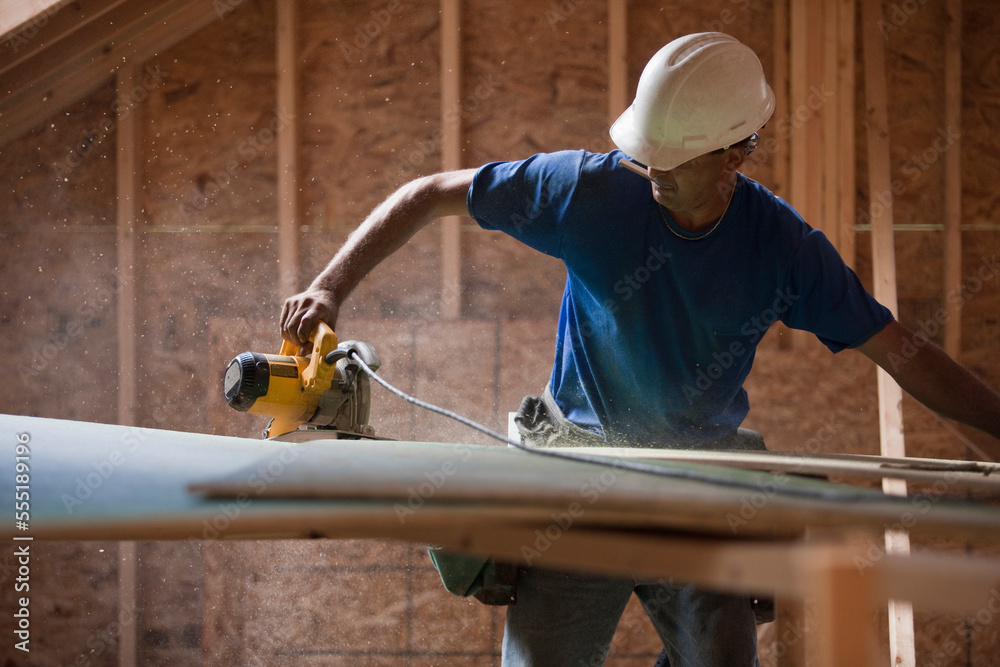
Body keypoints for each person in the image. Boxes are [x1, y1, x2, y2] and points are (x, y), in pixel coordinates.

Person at [281, 32, 1000, 667]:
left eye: (674, 159)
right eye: (645, 152)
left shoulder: (783, 248)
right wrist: (328, 287)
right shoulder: (588, 191)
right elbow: (432, 191)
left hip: (698, 485)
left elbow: (903, 352)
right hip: (573, 476)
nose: (652, 170)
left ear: (736, 153)